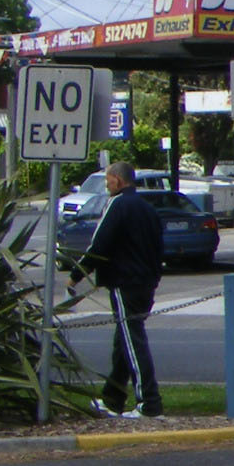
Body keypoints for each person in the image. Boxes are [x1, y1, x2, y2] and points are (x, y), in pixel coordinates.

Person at [71, 159, 164, 418]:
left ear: (118, 181)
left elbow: (99, 245)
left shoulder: (118, 204)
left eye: (108, 180)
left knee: (133, 342)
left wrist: (76, 275)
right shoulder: (148, 209)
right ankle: (113, 398)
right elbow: (158, 248)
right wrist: (155, 277)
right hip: (146, 283)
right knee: (123, 342)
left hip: (125, 283)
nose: (106, 185)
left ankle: (150, 403)